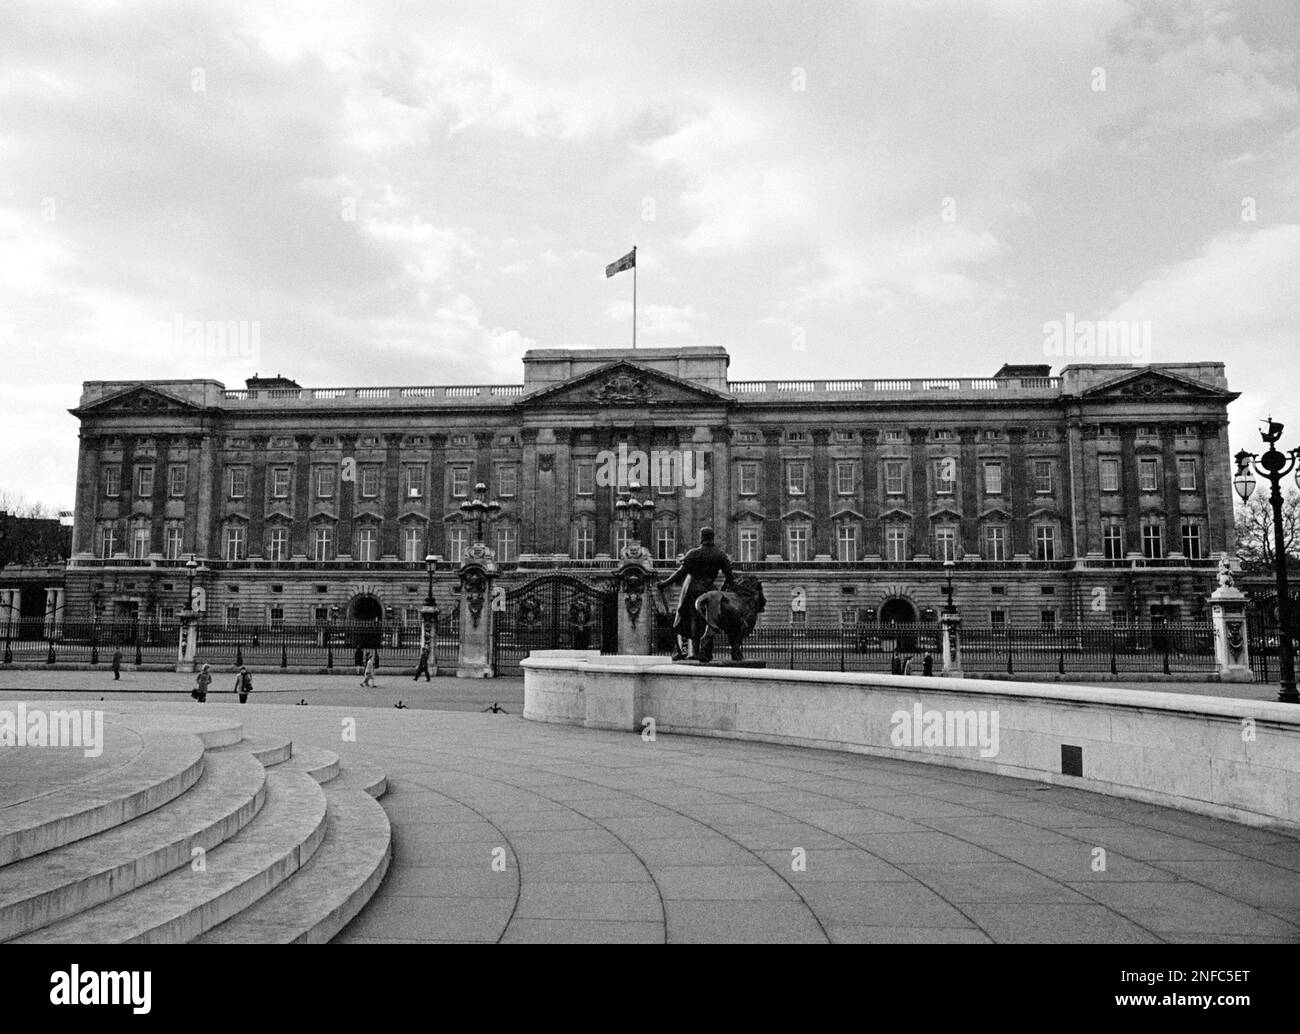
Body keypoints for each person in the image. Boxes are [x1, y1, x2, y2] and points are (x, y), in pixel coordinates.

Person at [657, 527, 735, 660]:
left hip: (693, 588)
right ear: (712, 537)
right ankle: (706, 651)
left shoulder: (694, 553)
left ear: (702, 537)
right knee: (709, 621)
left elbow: (680, 573)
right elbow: (730, 576)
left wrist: (665, 583)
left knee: (693, 618)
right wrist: (722, 589)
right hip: (710, 589)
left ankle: (694, 651)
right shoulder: (720, 555)